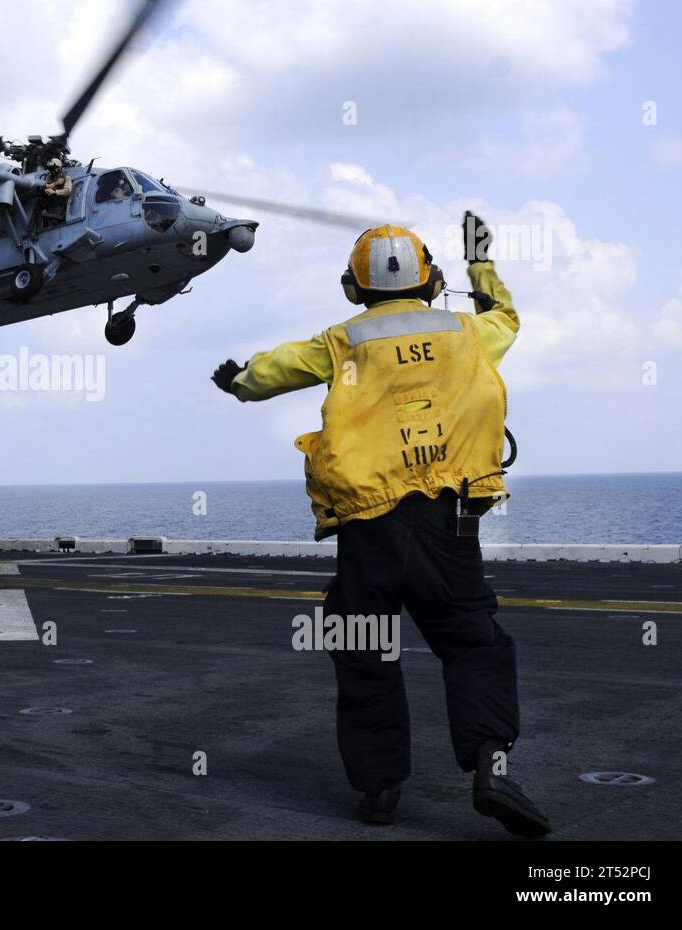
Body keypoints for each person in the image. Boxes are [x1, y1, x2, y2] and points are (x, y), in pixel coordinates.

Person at [211, 213, 551, 837]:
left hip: (368, 531)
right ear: (431, 279)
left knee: (366, 648)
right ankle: (491, 765)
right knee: (474, 644)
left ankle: (379, 789)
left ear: (353, 288)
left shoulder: (344, 342)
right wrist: (481, 263)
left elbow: (271, 372)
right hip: (449, 528)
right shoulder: (468, 332)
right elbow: (506, 317)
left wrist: (236, 380)